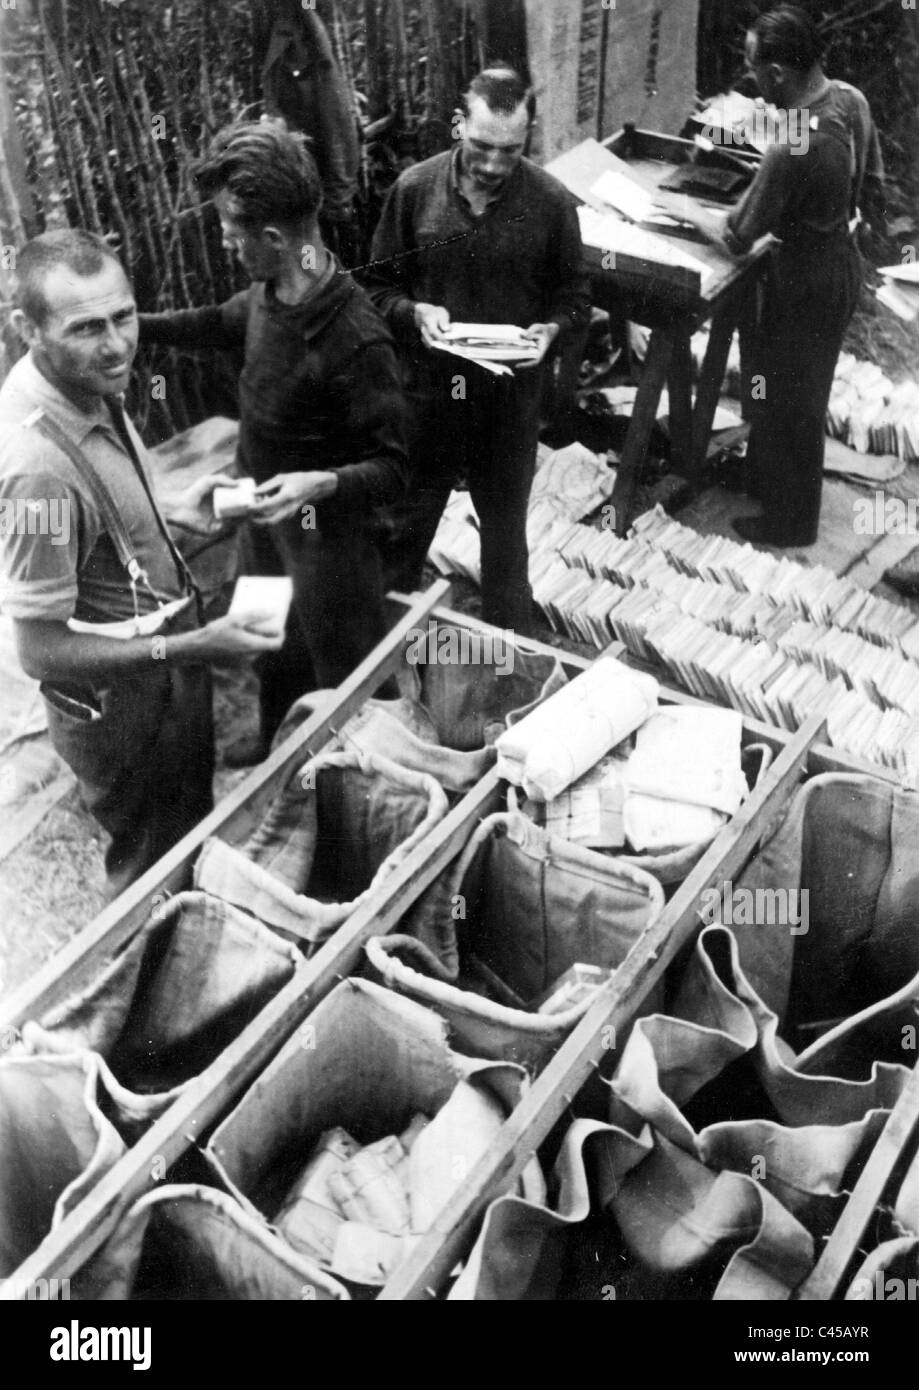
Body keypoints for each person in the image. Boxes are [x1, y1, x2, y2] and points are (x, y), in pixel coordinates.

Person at [0, 230, 283, 897]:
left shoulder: (86, 382)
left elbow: (103, 529)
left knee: (190, 832)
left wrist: (176, 510)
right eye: (87, 327)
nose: (118, 343)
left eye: (124, 316)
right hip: (122, 704)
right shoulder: (35, 469)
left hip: (164, 670)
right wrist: (189, 645)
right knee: (155, 871)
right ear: (27, 329)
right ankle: (152, 979)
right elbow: (41, 651)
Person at [139, 121, 410, 764]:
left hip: (329, 556)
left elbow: (396, 468)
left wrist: (325, 483)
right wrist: (132, 325)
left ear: (272, 238)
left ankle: (352, 799)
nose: (226, 244)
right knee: (270, 651)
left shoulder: (355, 338)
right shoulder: (270, 292)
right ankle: (275, 758)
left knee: (346, 696)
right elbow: (214, 323)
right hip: (260, 530)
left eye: (232, 234)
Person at [364, 66, 591, 632]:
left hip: (508, 403)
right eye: (482, 146)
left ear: (528, 138)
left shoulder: (552, 203)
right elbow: (374, 287)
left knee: (507, 541)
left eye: (510, 151)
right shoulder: (415, 191)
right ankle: (379, 668)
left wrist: (552, 331)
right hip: (428, 397)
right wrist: (412, 313)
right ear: (458, 125)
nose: (493, 164)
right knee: (405, 531)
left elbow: (575, 295)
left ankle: (508, 659)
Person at [663, 5, 867, 548]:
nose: (752, 81)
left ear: (777, 72)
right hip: (838, 261)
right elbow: (858, 176)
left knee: (794, 401)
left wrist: (688, 212)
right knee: (787, 388)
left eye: (754, 69)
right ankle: (763, 478)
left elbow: (737, 237)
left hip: (806, 280)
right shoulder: (847, 98)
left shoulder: (791, 144)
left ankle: (791, 522)